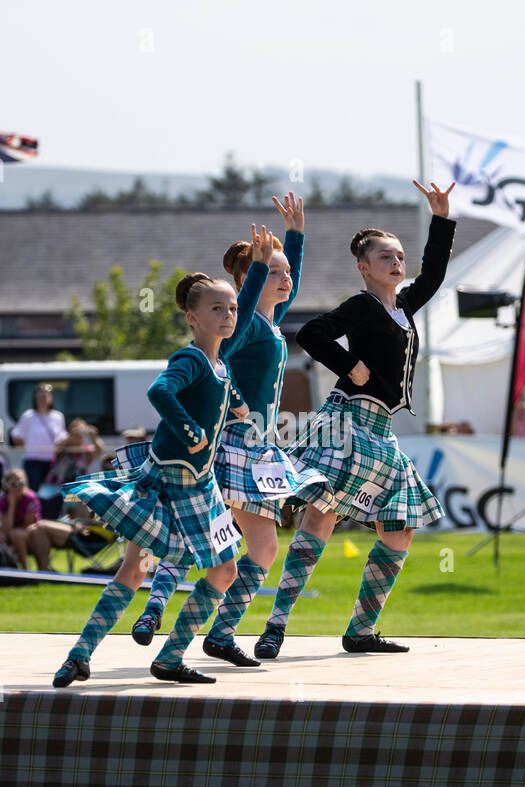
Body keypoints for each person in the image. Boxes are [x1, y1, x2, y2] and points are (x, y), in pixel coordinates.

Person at [253, 180, 457, 661]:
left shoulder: (403, 306)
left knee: (400, 527)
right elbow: (311, 333)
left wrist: (442, 218)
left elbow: (434, 275)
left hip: (381, 429)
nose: (397, 263)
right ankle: (275, 627)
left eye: (399, 256)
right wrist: (349, 365)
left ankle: (360, 631)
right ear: (364, 267)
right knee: (322, 513)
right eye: (386, 257)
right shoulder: (363, 306)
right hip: (348, 422)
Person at [126, 198, 325, 666]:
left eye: (285, 272)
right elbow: (256, 294)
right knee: (228, 539)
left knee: (221, 537)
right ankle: (187, 620)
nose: (286, 278)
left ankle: (190, 621)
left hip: (255, 447)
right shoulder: (244, 326)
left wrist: (295, 236)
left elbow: (285, 288)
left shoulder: (268, 324)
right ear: (250, 279)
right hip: (233, 443)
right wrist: (263, 265)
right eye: (274, 272)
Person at [51, 268, 252, 687]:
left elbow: (240, 327)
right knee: (179, 571)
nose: (230, 315)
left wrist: (235, 402)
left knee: (204, 572)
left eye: (232, 308)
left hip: (199, 485)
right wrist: (191, 431)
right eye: (217, 308)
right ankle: (122, 656)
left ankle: (99, 656)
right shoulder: (191, 358)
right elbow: (160, 391)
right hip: (174, 484)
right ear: (192, 318)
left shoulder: (218, 363)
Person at [11, 384, 67, 490]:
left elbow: (61, 439)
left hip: (51, 463)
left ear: (51, 399)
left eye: (45, 397)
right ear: (35, 399)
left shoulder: (58, 417)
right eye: (40, 397)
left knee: (51, 492)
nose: (43, 400)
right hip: (32, 462)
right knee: (33, 491)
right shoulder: (28, 416)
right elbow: (17, 436)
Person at [0, 468, 41, 568]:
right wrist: (12, 504)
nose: (18, 487)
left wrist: (9, 531)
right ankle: (6, 569)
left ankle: (25, 570)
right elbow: (6, 528)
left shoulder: (30, 498)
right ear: (7, 486)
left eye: (21, 483)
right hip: (12, 532)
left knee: (16, 534)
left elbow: (27, 524)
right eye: (14, 484)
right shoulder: (3, 500)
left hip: (33, 533)